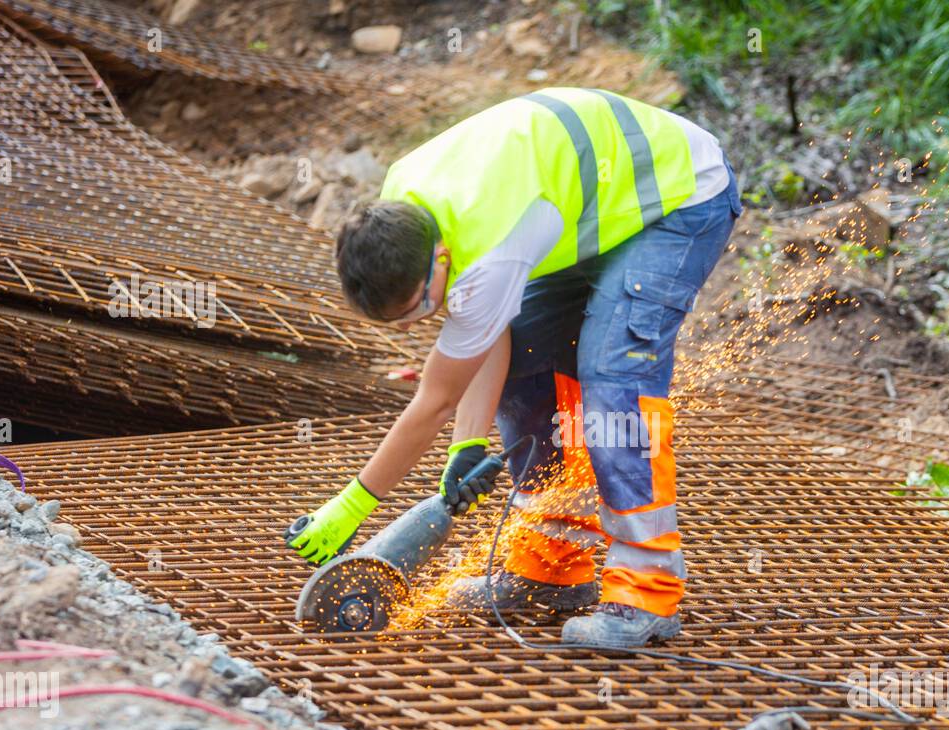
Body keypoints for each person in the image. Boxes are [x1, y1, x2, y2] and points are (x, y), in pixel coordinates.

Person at [287, 87, 741, 648]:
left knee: (613, 376)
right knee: (529, 360)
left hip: (677, 195)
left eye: (422, 308)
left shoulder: (490, 249)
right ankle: (549, 568)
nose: (425, 321)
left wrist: (351, 505)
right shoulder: (402, 214)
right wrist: (464, 448)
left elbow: (435, 398)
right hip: (586, 207)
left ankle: (646, 594)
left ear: (442, 261)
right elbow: (492, 334)